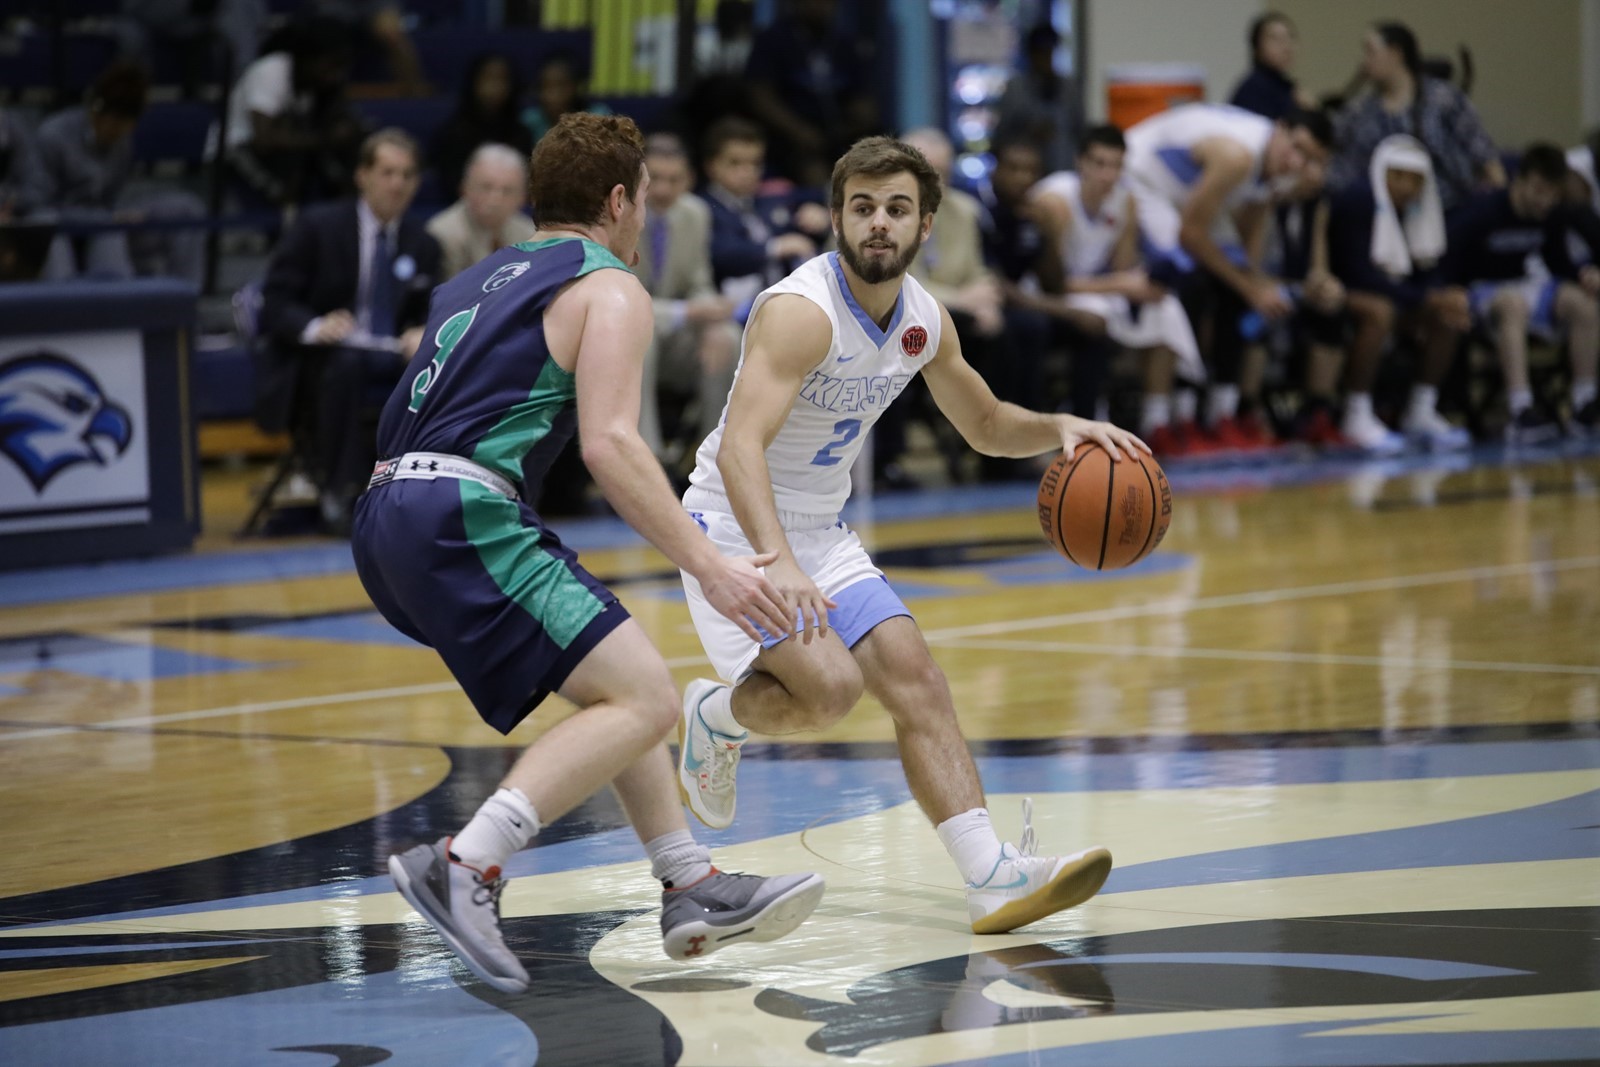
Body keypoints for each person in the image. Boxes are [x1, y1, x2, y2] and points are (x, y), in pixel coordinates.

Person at [354, 113, 823, 993]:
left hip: (385, 513)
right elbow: (611, 444)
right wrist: (711, 563)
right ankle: (468, 861)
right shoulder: (609, 284)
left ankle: (688, 881)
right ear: (617, 200)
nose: (644, 218)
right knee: (648, 696)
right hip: (461, 508)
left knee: (622, 681)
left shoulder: (473, 279)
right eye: (643, 199)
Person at [675, 136, 1140, 935]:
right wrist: (776, 560)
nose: (879, 224)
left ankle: (990, 874)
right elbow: (742, 443)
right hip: (733, 529)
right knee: (830, 691)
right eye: (862, 208)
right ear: (837, 220)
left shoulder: (924, 318)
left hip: (821, 528)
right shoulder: (799, 312)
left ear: (927, 225)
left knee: (916, 676)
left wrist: (1062, 424)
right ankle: (719, 714)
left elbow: (987, 423)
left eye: (896, 209)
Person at [257, 129, 441, 531]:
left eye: (407, 175)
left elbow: (434, 312)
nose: (397, 184)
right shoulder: (318, 227)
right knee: (345, 366)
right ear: (363, 175)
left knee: (439, 372)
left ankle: (427, 494)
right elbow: (276, 299)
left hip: (393, 354)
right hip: (324, 355)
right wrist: (315, 325)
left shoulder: (423, 242)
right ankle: (341, 490)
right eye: (388, 172)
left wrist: (423, 332)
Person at [1123, 103, 1334, 444]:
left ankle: (1223, 412)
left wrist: (1255, 285)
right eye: (1296, 149)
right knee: (1189, 277)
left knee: (1235, 287)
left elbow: (1248, 244)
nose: (1297, 163)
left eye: (1309, 159)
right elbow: (1190, 236)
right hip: (1141, 179)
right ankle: (1170, 418)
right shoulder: (1238, 156)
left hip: (1184, 196)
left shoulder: (1275, 165)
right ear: (1279, 128)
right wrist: (1252, 289)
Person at [1027, 124, 1208, 456]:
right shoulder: (1053, 203)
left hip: (1094, 290)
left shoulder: (1126, 202)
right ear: (1079, 162)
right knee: (1097, 314)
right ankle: (1088, 416)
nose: (1108, 174)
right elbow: (1048, 283)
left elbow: (1122, 268)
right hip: (1047, 297)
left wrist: (1134, 284)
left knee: (1165, 307)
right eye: (1099, 164)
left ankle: (1157, 422)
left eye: (1116, 166)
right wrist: (1120, 285)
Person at [1443, 144, 1600, 443]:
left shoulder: (1551, 215)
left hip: (1525, 283)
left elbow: (1559, 263)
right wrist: (1451, 293)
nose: (1547, 200)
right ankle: (1521, 409)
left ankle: (1584, 403)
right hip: (1480, 289)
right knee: (1514, 304)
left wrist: (1584, 274)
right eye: (1540, 190)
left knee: (1583, 302)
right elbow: (1449, 261)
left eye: (1554, 192)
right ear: (1520, 180)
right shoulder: (1481, 213)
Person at [1326, 134, 1473, 451]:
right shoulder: (1359, 200)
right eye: (1398, 177)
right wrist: (1426, 298)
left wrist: (1440, 296)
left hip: (1396, 295)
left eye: (1416, 180)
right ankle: (1356, 413)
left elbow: (1428, 267)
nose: (1407, 187)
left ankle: (1421, 409)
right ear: (1382, 174)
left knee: (1448, 313)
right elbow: (1358, 273)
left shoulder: (1416, 210)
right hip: (1344, 292)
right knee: (1380, 311)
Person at [32, 60, 204, 286]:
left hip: (107, 221)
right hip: (65, 231)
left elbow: (115, 198)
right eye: (114, 124)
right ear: (97, 110)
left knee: (187, 209)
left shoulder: (123, 143)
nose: (120, 133)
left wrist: (122, 214)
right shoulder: (53, 135)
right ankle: (107, 311)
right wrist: (103, 218)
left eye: (127, 125)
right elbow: (38, 207)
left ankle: (185, 303)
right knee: (104, 228)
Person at [635, 133, 740, 465]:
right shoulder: (618, 215)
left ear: (689, 181)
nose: (664, 190)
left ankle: (713, 459)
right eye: (656, 180)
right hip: (632, 328)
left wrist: (711, 317)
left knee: (727, 338)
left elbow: (699, 283)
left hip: (672, 331)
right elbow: (619, 300)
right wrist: (688, 311)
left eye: (674, 180)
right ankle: (645, 461)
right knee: (638, 336)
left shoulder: (695, 213)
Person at [1330, 21, 1502, 212]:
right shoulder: (1360, 111)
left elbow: (1481, 149)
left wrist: (1499, 199)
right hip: (1383, 216)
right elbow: (1339, 158)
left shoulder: (1443, 99)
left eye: (1370, 51)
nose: (1365, 61)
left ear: (1395, 53)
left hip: (1449, 208)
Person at [212, 18, 365, 210]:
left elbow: (337, 126)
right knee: (291, 168)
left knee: (348, 160)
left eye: (341, 67)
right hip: (235, 151)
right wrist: (326, 138)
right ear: (309, 58)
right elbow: (264, 140)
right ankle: (283, 225)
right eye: (332, 65)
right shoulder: (271, 71)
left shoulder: (321, 87)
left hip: (288, 151)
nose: (335, 75)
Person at [700, 118, 823, 314]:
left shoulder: (767, 201)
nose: (747, 171)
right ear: (711, 166)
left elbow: (813, 200)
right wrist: (774, 248)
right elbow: (720, 252)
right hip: (730, 308)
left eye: (755, 163)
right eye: (735, 163)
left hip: (786, 304)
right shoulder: (701, 208)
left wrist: (817, 214)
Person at [426, 143, 538, 283]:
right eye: (486, 187)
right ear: (465, 188)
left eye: (507, 191)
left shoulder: (530, 234)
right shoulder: (443, 234)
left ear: (522, 198)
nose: (495, 200)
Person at [431, 52, 534, 198]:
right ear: (474, 83)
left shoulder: (522, 134)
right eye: (488, 78)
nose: (494, 86)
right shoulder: (452, 134)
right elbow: (451, 184)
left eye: (501, 79)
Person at [993, 23, 1079, 174]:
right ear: (1031, 54)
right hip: (1024, 176)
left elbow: (1080, 133)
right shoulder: (1016, 89)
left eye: (1049, 52)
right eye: (1041, 52)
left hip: (1063, 172)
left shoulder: (1069, 89)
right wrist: (1029, 131)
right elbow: (999, 141)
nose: (1045, 58)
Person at [1229, 11, 1310, 122]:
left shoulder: (1288, 89)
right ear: (1257, 47)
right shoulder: (1253, 89)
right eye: (1276, 39)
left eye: (1290, 37)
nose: (1286, 46)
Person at [520, 52, 612, 146]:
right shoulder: (529, 120)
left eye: (562, 86)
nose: (554, 94)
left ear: (577, 87)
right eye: (546, 86)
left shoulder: (597, 117)